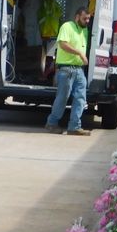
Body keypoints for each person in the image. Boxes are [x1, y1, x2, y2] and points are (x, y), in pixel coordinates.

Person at [45, 8, 91, 136]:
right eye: (84, 18)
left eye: (88, 18)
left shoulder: (85, 30)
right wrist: (80, 53)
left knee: (81, 98)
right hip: (66, 69)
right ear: (77, 17)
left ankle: (74, 127)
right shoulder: (67, 27)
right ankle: (52, 123)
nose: (87, 21)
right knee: (62, 98)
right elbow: (63, 44)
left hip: (79, 70)